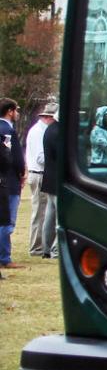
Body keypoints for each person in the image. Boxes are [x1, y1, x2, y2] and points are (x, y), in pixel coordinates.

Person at [25, 102, 56, 258]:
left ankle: (40, 246)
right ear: (48, 117)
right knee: (40, 212)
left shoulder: (41, 130)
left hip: (39, 173)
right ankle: (36, 247)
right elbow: (40, 157)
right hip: (39, 173)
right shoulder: (39, 132)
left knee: (43, 212)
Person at [0, 99, 23, 270]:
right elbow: (14, 157)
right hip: (10, 182)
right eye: (16, 110)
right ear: (10, 111)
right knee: (7, 221)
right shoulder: (8, 130)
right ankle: (4, 257)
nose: (18, 113)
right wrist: (22, 173)